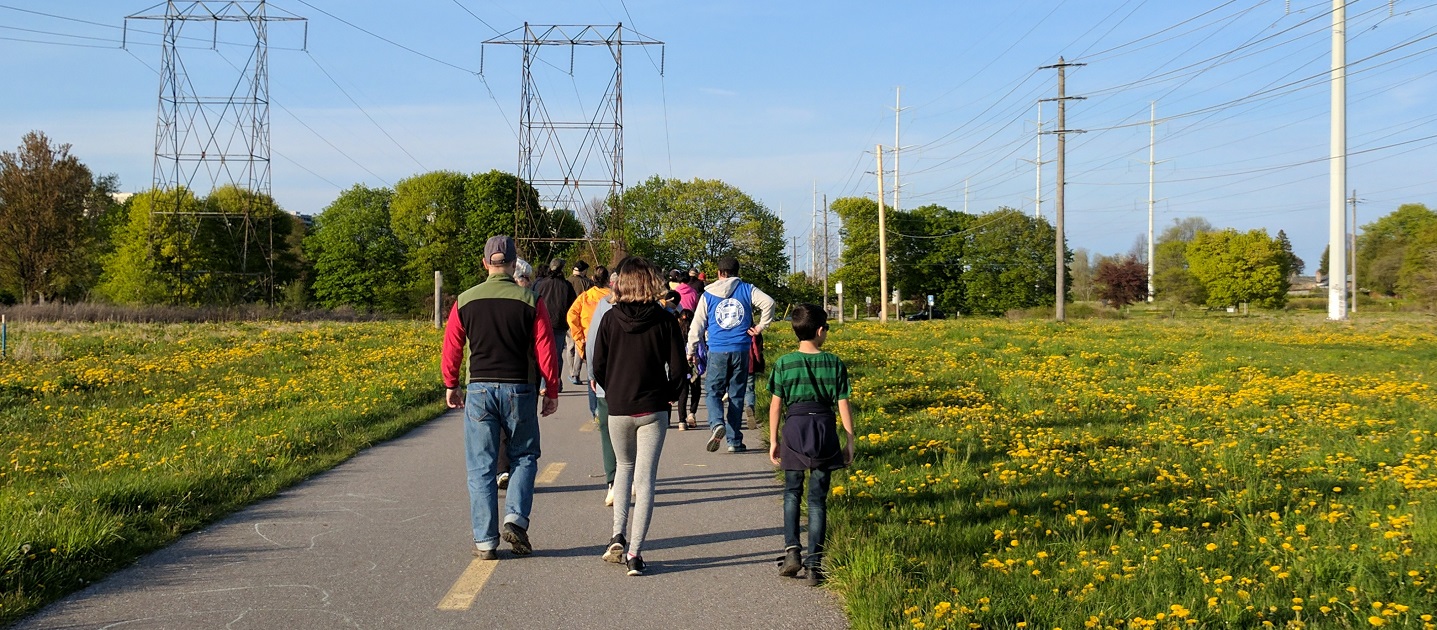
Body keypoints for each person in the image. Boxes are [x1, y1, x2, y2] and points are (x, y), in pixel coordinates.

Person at [441, 236, 561, 560]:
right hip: (519, 388)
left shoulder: (465, 300)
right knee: (524, 455)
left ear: (485, 264)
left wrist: (451, 383)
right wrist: (551, 390)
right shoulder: (530, 300)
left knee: (481, 465)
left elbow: (452, 345)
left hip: (479, 388)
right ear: (513, 263)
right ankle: (515, 518)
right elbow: (546, 349)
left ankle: (485, 541)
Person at [592, 256, 688, 577]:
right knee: (645, 480)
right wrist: (670, 395)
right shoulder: (665, 320)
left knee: (623, 468)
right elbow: (679, 369)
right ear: (651, 281)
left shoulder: (608, 318)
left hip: (618, 407)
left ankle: (616, 535)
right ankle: (635, 554)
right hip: (653, 407)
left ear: (622, 283)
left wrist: (614, 390)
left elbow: (598, 367)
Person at [766, 303, 854, 586]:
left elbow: (776, 405)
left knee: (792, 492)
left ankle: (792, 551)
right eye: (826, 328)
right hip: (824, 428)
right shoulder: (834, 363)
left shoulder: (784, 363)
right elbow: (843, 403)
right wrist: (849, 440)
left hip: (795, 428)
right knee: (818, 500)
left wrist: (774, 440)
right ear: (819, 331)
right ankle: (815, 565)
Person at [686, 256, 775, 453]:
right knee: (736, 394)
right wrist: (760, 326)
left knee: (713, 391)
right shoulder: (746, 289)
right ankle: (734, 441)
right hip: (741, 349)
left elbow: (697, 326)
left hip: (717, 349)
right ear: (737, 272)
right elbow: (769, 302)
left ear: (719, 273)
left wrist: (691, 351)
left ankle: (717, 424)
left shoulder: (707, 295)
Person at [568, 266, 611, 412]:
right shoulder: (612, 297)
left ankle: (595, 411)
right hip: (610, 341)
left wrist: (579, 337)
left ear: (593, 279)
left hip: (588, 341)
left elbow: (571, 315)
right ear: (608, 280)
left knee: (592, 375)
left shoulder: (585, 297)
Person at [534, 258, 578, 377]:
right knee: (557, 354)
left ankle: (544, 382)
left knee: (544, 353)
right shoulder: (566, 285)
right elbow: (573, 305)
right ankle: (556, 380)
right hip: (560, 323)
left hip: (543, 322)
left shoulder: (541, 284)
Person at [565, 261, 594, 384]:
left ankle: (572, 372)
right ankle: (576, 373)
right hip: (584, 318)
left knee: (570, 347)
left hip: (570, 316)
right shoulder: (588, 283)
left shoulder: (567, 281)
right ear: (583, 271)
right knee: (579, 346)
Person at [674, 308, 702, 430]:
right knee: (696, 390)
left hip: (680, 365)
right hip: (694, 365)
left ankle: (681, 421)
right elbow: (702, 351)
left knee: (682, 393)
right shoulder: (696, 334)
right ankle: (692, 413)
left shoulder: (676, 334)